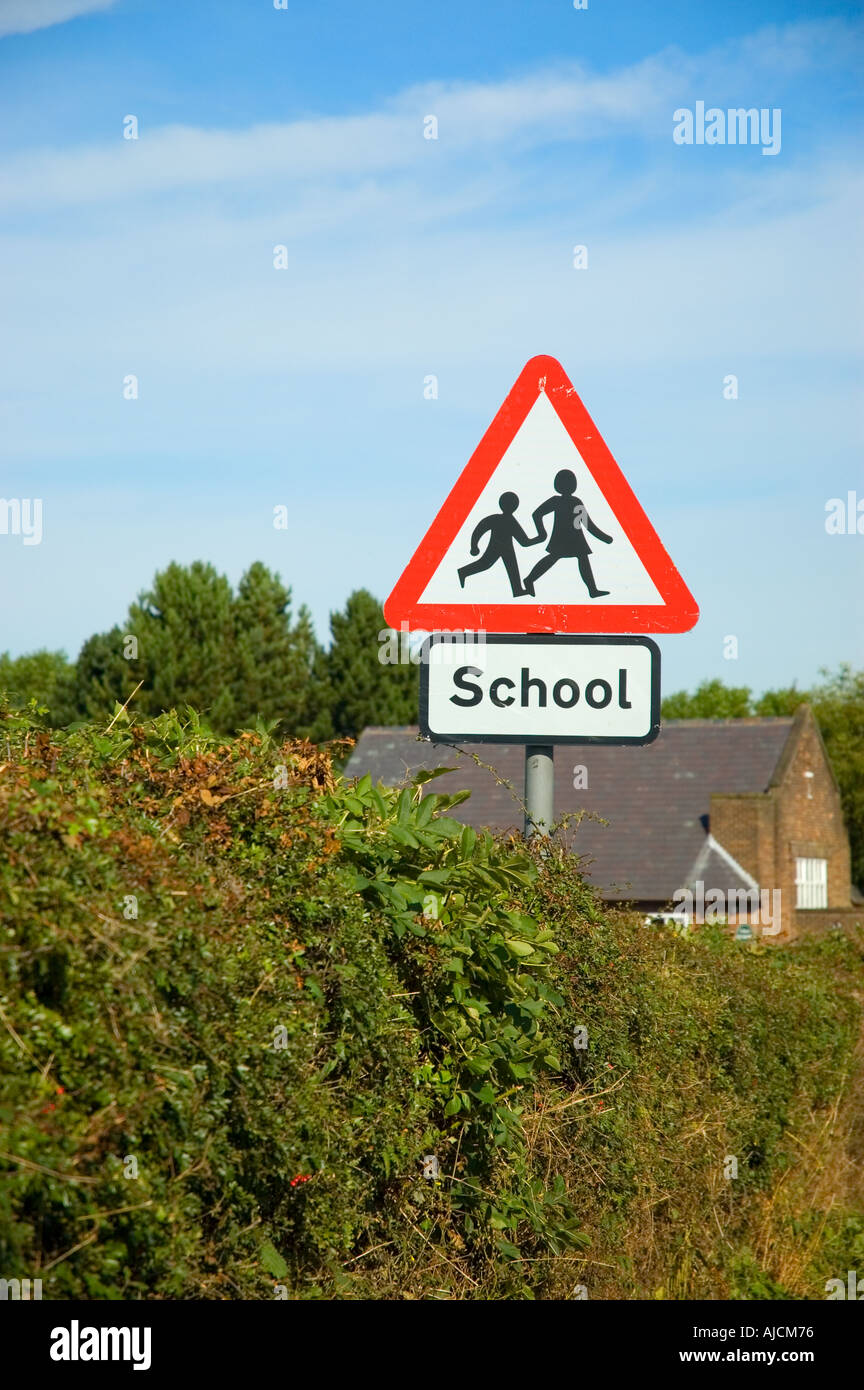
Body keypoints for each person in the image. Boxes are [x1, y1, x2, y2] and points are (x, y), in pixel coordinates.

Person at [522, 469, 612, 597]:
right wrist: (542, 533)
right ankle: (529, 579)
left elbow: (587, 523)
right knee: (556, 558)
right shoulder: (559, 501)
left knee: (581, 558)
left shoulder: (574, 502)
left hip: (575, 537)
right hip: (564, 537)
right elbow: (537, 514)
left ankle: (592, 590)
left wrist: (604, 538)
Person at [457, 492, 541, 597]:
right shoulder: (505, 520)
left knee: (511, 567)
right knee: (486, 564)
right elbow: (480, 529)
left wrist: (539, 539)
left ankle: (517, 589)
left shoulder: (504, 519)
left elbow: (524, 541)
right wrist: (474, 546)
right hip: (497, 547)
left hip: (506, 548)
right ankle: (463, 572)